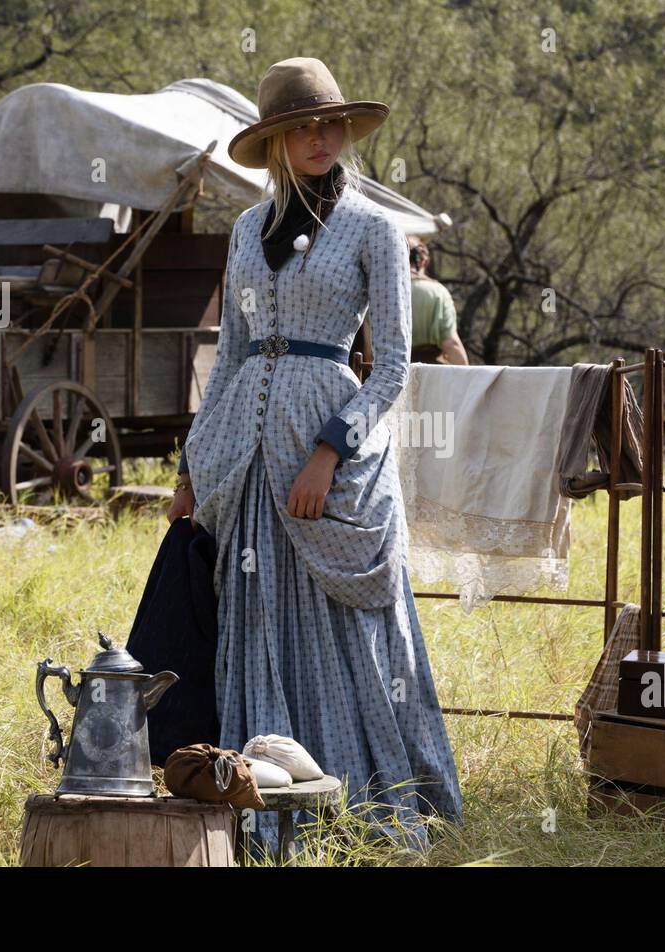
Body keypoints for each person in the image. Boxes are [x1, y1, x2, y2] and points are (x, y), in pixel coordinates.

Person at [165, 57, 463, 860]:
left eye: (331, 123)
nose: (322, 136)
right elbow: (227, 357)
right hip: (243, 454)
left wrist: (329, 451)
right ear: (273, 142)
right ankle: (259, 792)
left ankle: (362, 793)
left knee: (350, 629)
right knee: (254, 615)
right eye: (303, 125)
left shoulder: (374, 229)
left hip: (327, 446)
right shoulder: (242, 232)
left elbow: (394, 368)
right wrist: (193, 471)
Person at [408, 239, 468, 364]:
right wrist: (469, 379)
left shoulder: (382, 291)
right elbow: (451, 343)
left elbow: (369, 350)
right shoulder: (438, 292)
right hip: (429, 373)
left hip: (390, 374)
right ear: (424, 261)